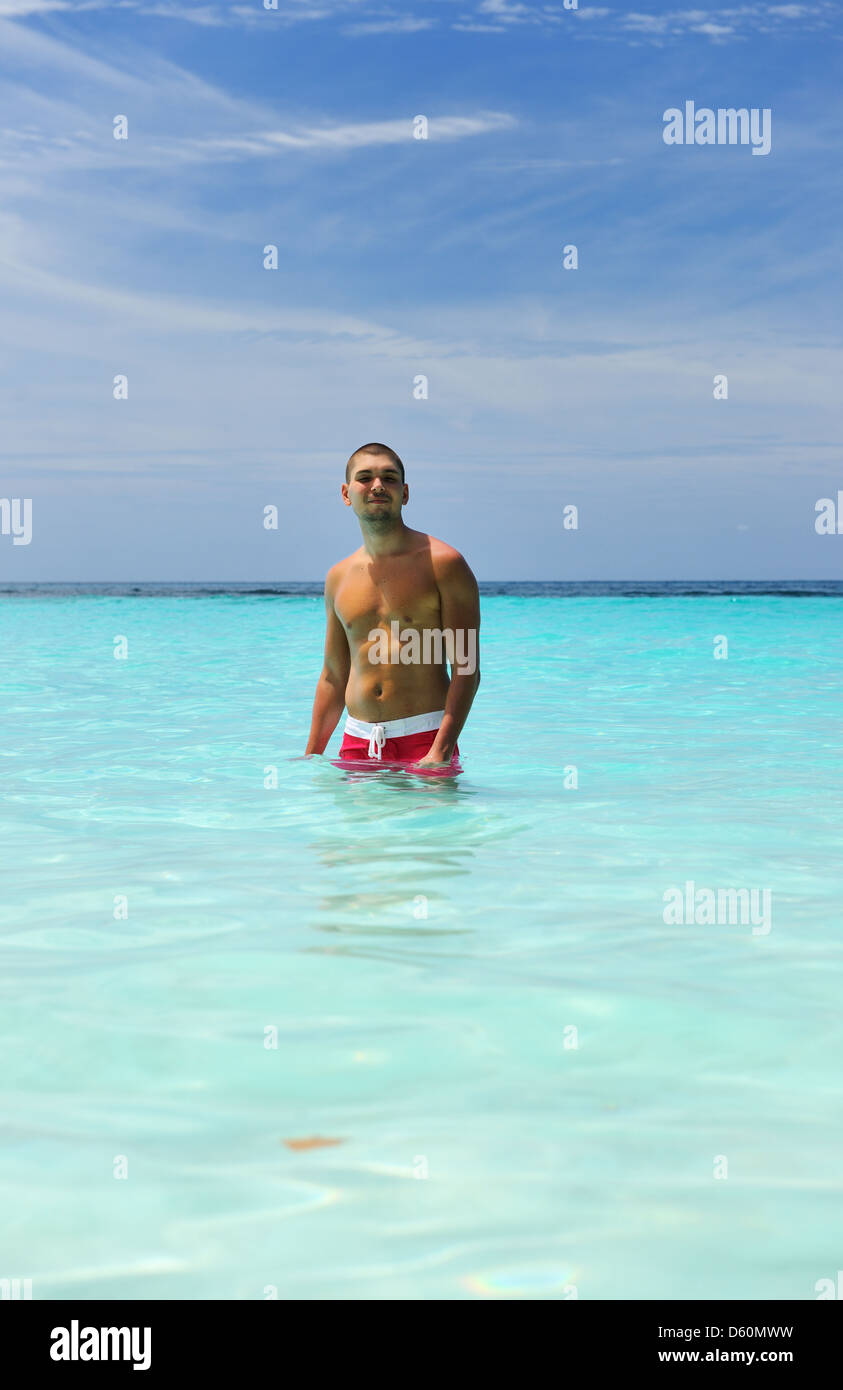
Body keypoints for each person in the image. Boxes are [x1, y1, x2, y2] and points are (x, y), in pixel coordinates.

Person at [305, 443, 480, 769]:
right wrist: (311, 755)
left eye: (389, 477)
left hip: (426, 739)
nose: (377, 486)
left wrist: (440, 750)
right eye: (365, 477)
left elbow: (466, 668)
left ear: (405, 492)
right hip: (356, 745)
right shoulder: (337, 577)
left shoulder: (444, 563)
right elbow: (333, 675)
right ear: (346, 493)